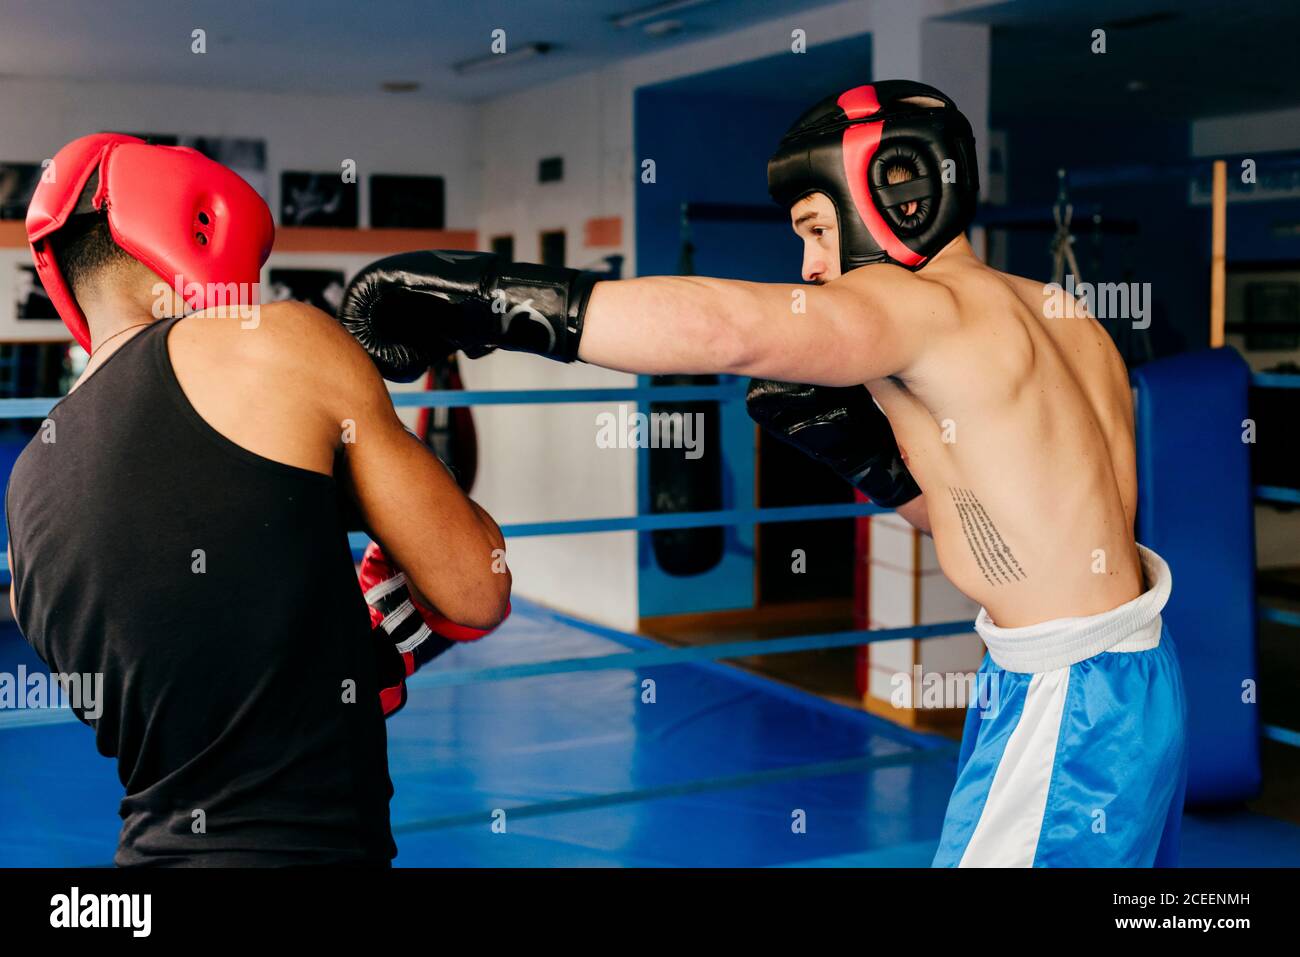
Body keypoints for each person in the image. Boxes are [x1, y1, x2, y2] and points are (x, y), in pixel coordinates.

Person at [336, 80, 1188, 867]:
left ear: (897, 193)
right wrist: (879, 465)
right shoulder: (1064, 314)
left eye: (818, 230)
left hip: (1064, 701)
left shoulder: (919, 306)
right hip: (1136, 676)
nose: (812, 266)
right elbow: (1012, 521)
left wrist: (487, 298)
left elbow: (729, 328)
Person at [8, 133, 510, 866]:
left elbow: (192, 677)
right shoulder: (281, 342)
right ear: (191, 226)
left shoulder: (28, 487)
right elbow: (476, 586)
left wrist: (363, 647)